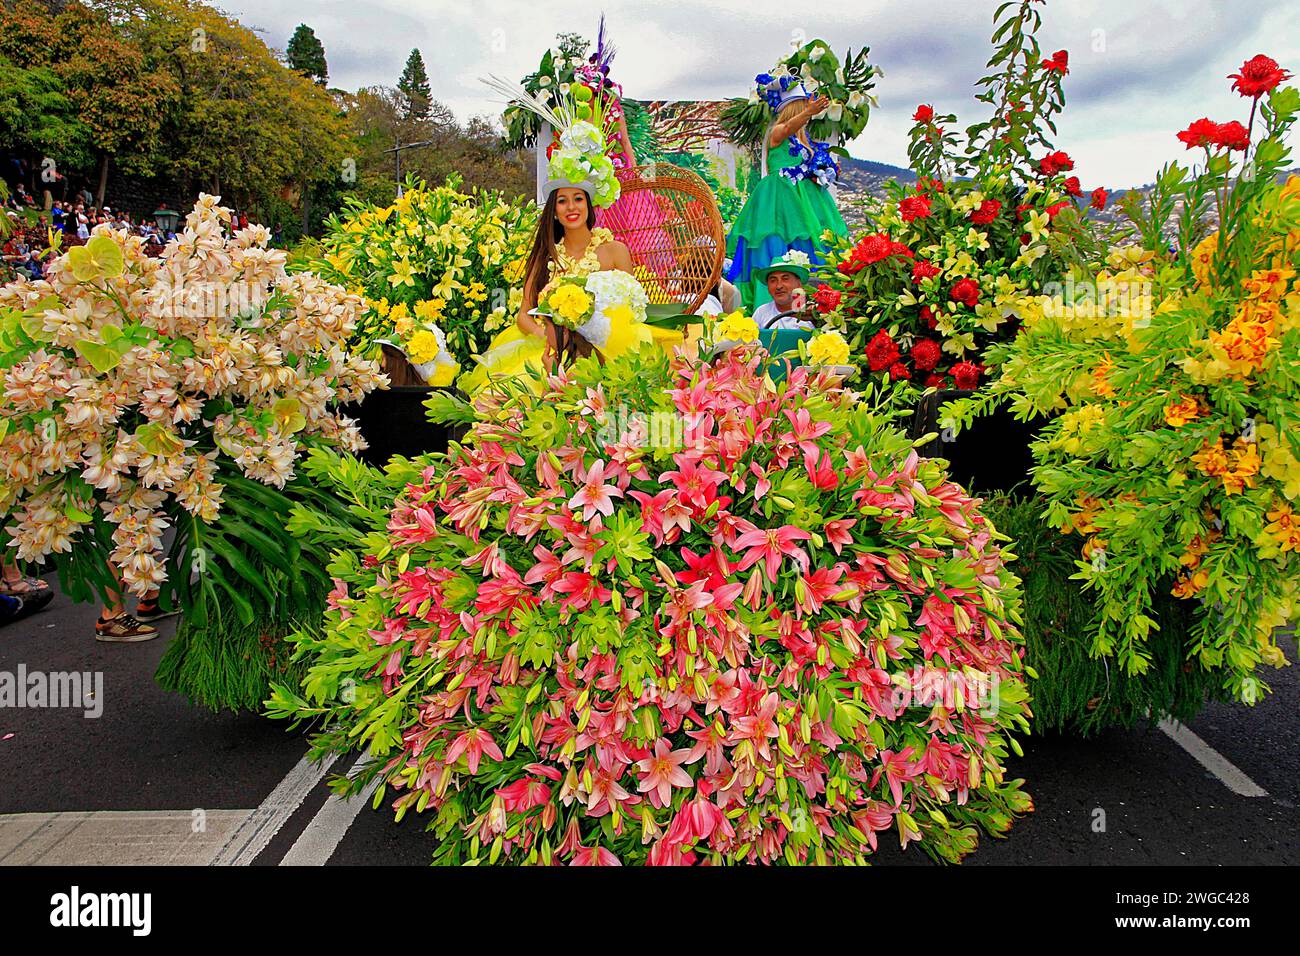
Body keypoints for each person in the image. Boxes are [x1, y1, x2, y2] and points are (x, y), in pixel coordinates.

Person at [465, 75, 652, 392]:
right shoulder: (547, 254)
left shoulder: (615, 251)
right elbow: (524, 315)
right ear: (553, 210)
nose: (571, 207)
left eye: (578, 198)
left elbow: (630, 310)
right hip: (549, 350)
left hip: (605, 352)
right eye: (562, 201)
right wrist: (548, 338)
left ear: (589, 204)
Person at [725, 71, 848, 310]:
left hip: (804, 204)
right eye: (801, 109)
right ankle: (767, 311)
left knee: (807, 251)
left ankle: (805, 310)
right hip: (778, 201)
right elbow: (789, 126)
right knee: (773, 247)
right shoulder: (778, 132)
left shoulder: (804, 142)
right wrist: (808, 112)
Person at [751, 252, 815, 330]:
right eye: (773, 280)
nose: (779, 286)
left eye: (785, 279)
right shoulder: (761, 312)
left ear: (799, 284)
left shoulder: (812, 312)